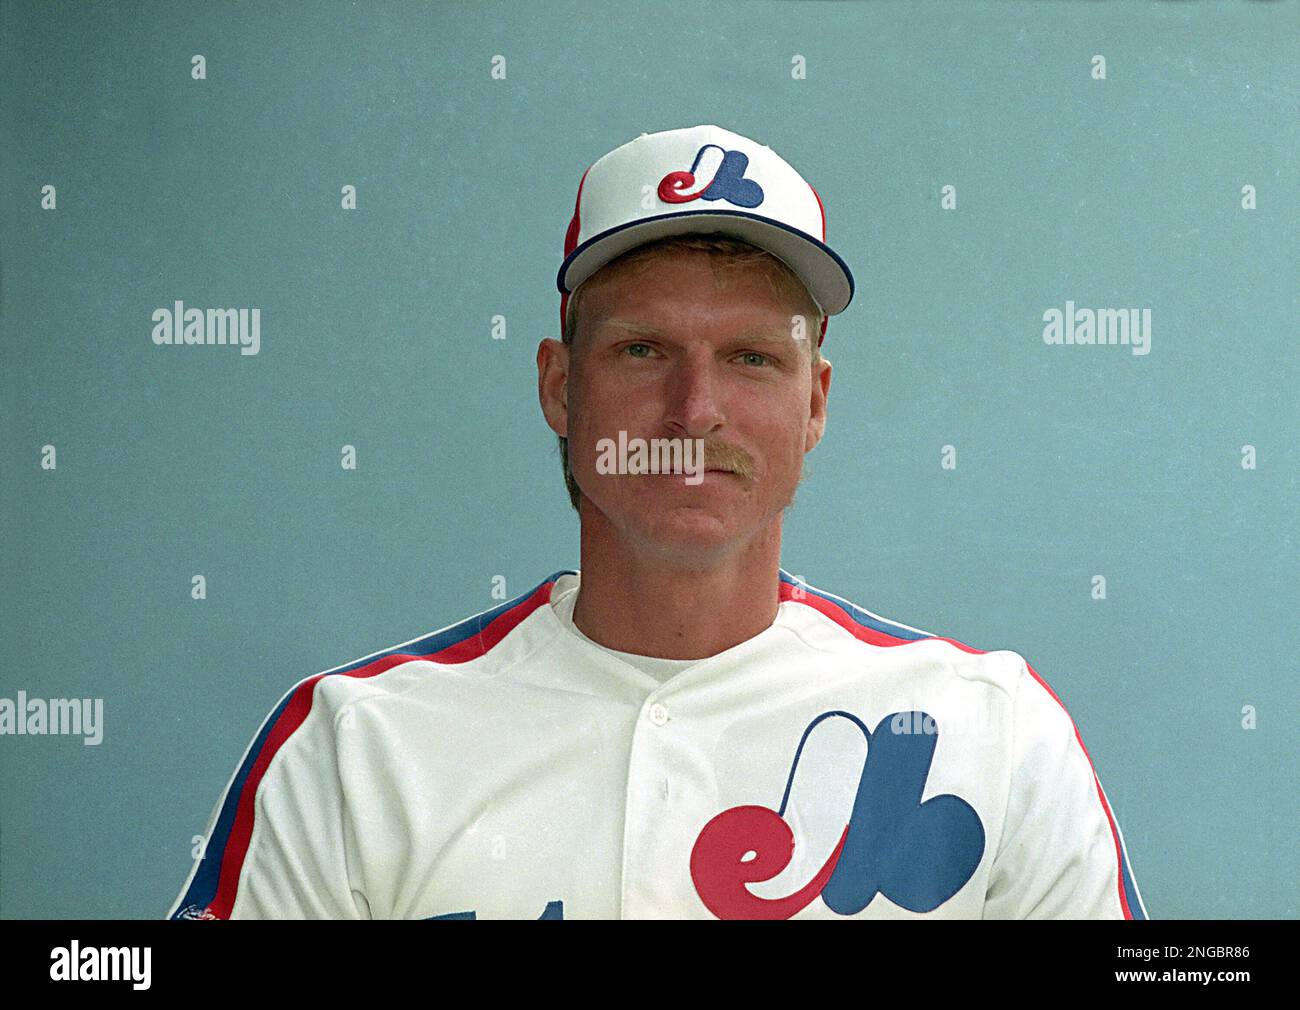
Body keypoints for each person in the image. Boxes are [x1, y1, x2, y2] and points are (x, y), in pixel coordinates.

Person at [167, 124, 1148, 920]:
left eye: (753, 357)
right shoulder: (357, 744)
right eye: (642, 349)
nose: (693, 412)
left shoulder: (996, 733)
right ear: (560, 386)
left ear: (815, 401)